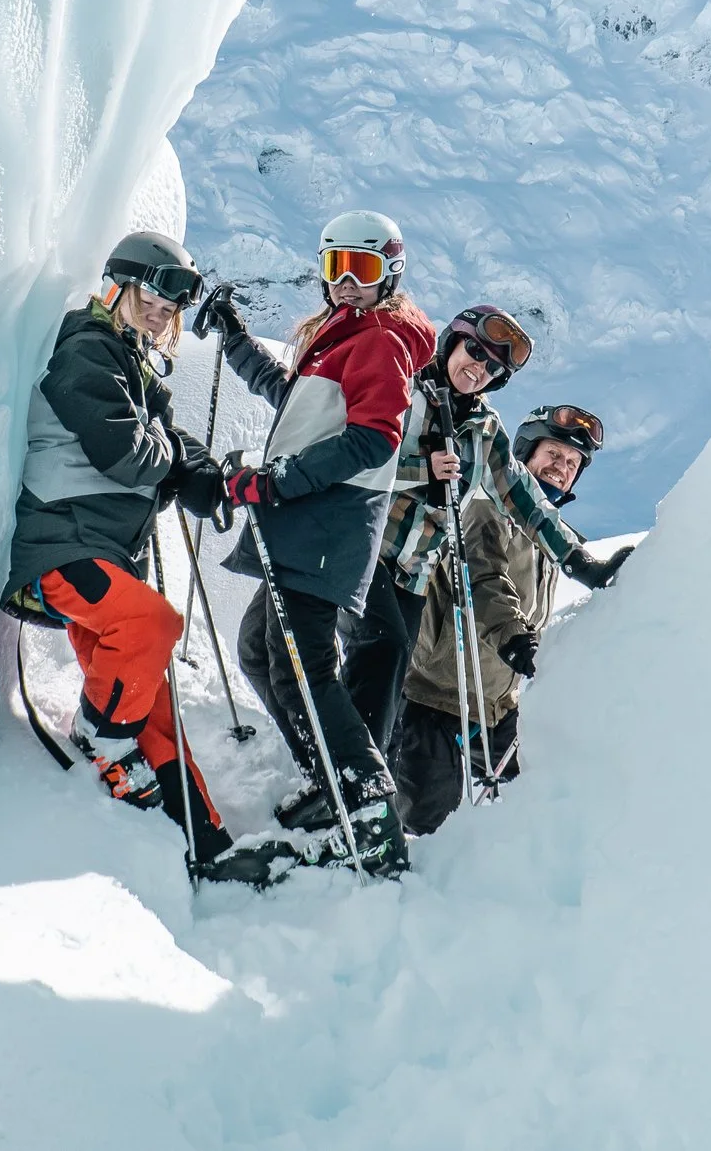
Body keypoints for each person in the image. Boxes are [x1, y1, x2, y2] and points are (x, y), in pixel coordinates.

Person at [0, 230, 284, 886]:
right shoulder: (86, 350)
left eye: (174, 299)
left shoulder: (132, 361)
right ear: (119, 285)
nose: (163, 308)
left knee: (151, 706)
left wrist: (202, 473)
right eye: (154, 289)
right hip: (61, 548)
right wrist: (180, 466)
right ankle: (98, 734)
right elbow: (124, 450)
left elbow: (165, 436)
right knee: (152, 625)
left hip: (98, 556)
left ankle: (207, 843)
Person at [196, 209, 435, 872]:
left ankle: (367, 805)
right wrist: (237, 340)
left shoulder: (383, 339)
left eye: (360, 270)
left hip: (326, 521)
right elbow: (294, 398)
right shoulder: (344, 335)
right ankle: (328, 780)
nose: (345, 284)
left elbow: (372, 437)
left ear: (389, 271)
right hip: (304, 519)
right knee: (260, 649)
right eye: (335, 269)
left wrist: (275, 482)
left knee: (303, 667)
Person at [335, 307, 632, 777]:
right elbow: (351, 458)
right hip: (369, 564)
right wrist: (421, 471)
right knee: (379, 657)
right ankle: (345, 782)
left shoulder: (482, 430)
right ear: (452, 341)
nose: (480, 368)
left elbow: (525, 498)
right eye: (474, 351)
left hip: (432, 615)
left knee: (384, 672)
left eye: (494, 367)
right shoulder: (403, 392)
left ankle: (358, 784)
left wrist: (579, 563)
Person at [393, 402, 614, 836]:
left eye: (572, 463)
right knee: (428, 828)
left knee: (536, 800)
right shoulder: (485, 507)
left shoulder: (550, 539)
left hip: (496, 708)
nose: (561, 467)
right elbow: (482, 578)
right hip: (434, 697)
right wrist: (516, 639)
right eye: (553, 454)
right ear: (526, 452)